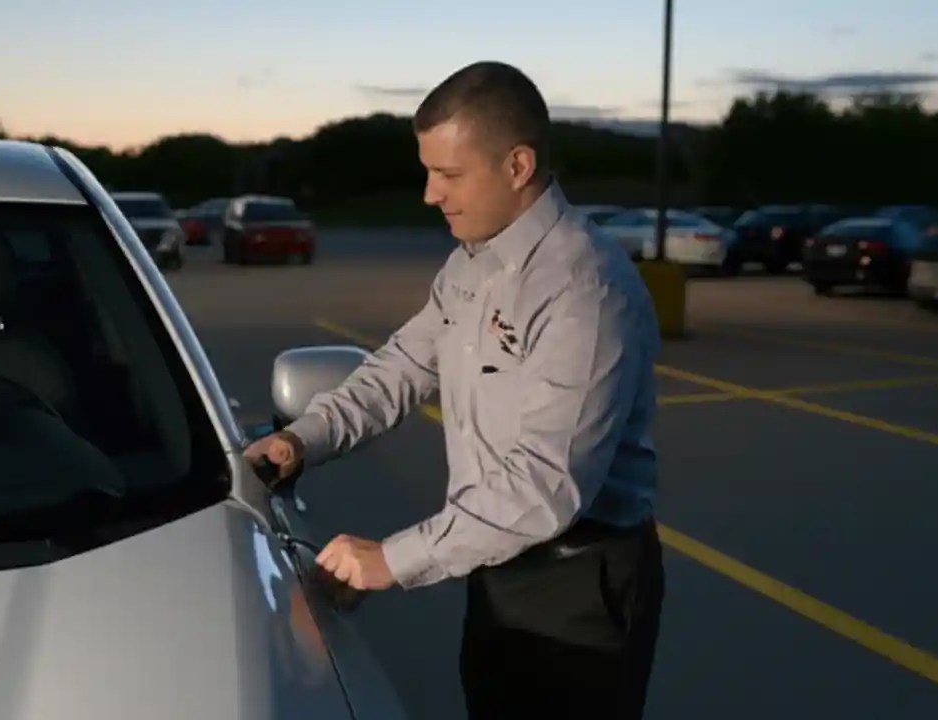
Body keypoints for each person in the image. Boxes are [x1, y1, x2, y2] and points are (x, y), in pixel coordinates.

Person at [244, 60, 664, 719]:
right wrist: (303, 440)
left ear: (518, 167)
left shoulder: (584, 289)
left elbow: (544, 488)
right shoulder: (472, 265)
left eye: (449, 174)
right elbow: (403, 367)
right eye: (427, 171)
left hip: (578, 588)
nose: (429, 194)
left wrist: (390, 560)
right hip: (499, 564)